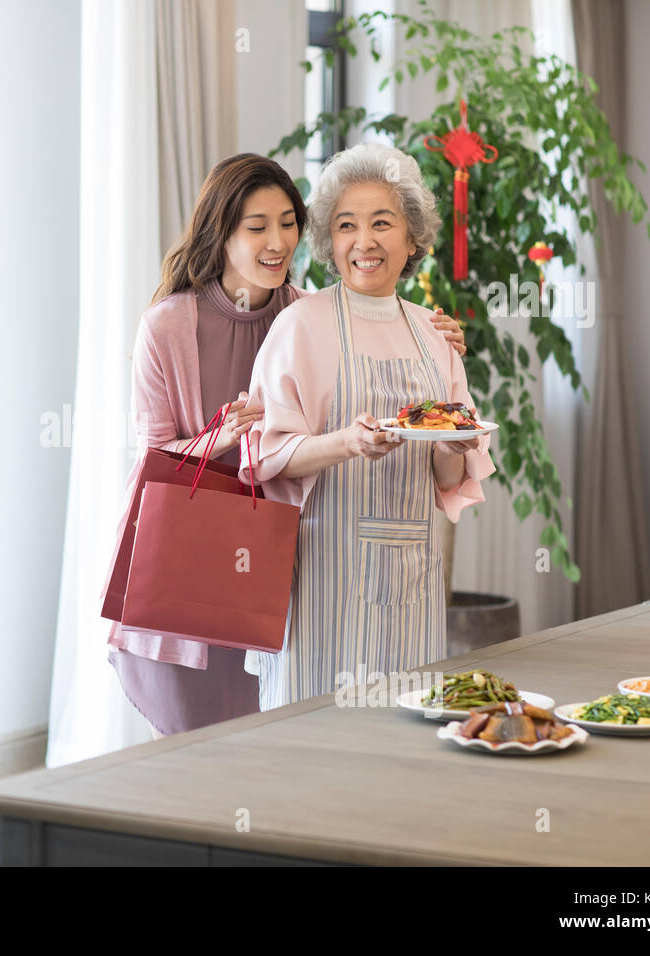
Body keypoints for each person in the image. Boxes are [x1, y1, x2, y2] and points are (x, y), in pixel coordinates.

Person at [110, 152, 468, 737]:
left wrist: (438, 334)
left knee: (266, 740)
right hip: (192, 555)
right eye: (257, 227)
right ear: (220, 233)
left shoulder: (307, 313)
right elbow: (150, 459)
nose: (278, 241)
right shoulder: (168, 326)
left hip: (275, 560)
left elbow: (372, 318)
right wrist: (214, 440)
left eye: (288, 223)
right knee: (193, 749)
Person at [238, 141, 495, 711]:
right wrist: (347, 443)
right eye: (347, 225)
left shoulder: (436, 334)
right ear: (331, 243)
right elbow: (263, 456)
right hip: (315, 580)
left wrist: (456, 441)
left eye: (383, 222)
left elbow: (447, 475)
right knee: (311, 745)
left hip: (409, 580)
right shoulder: (299, 325)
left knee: (401, 748)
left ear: (412, 237)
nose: (365, 241)